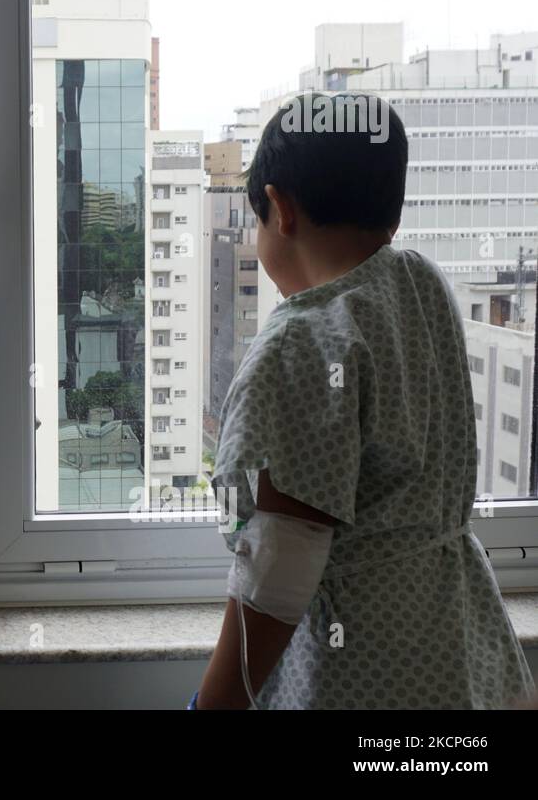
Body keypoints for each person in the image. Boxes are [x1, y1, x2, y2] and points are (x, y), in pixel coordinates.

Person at [193, 91, 535, 709]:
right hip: (458, 648)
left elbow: (277, 571)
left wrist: (213, 705)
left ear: (279, 208)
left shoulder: (303, 341)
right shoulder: (422, 286)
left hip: (359, 674)